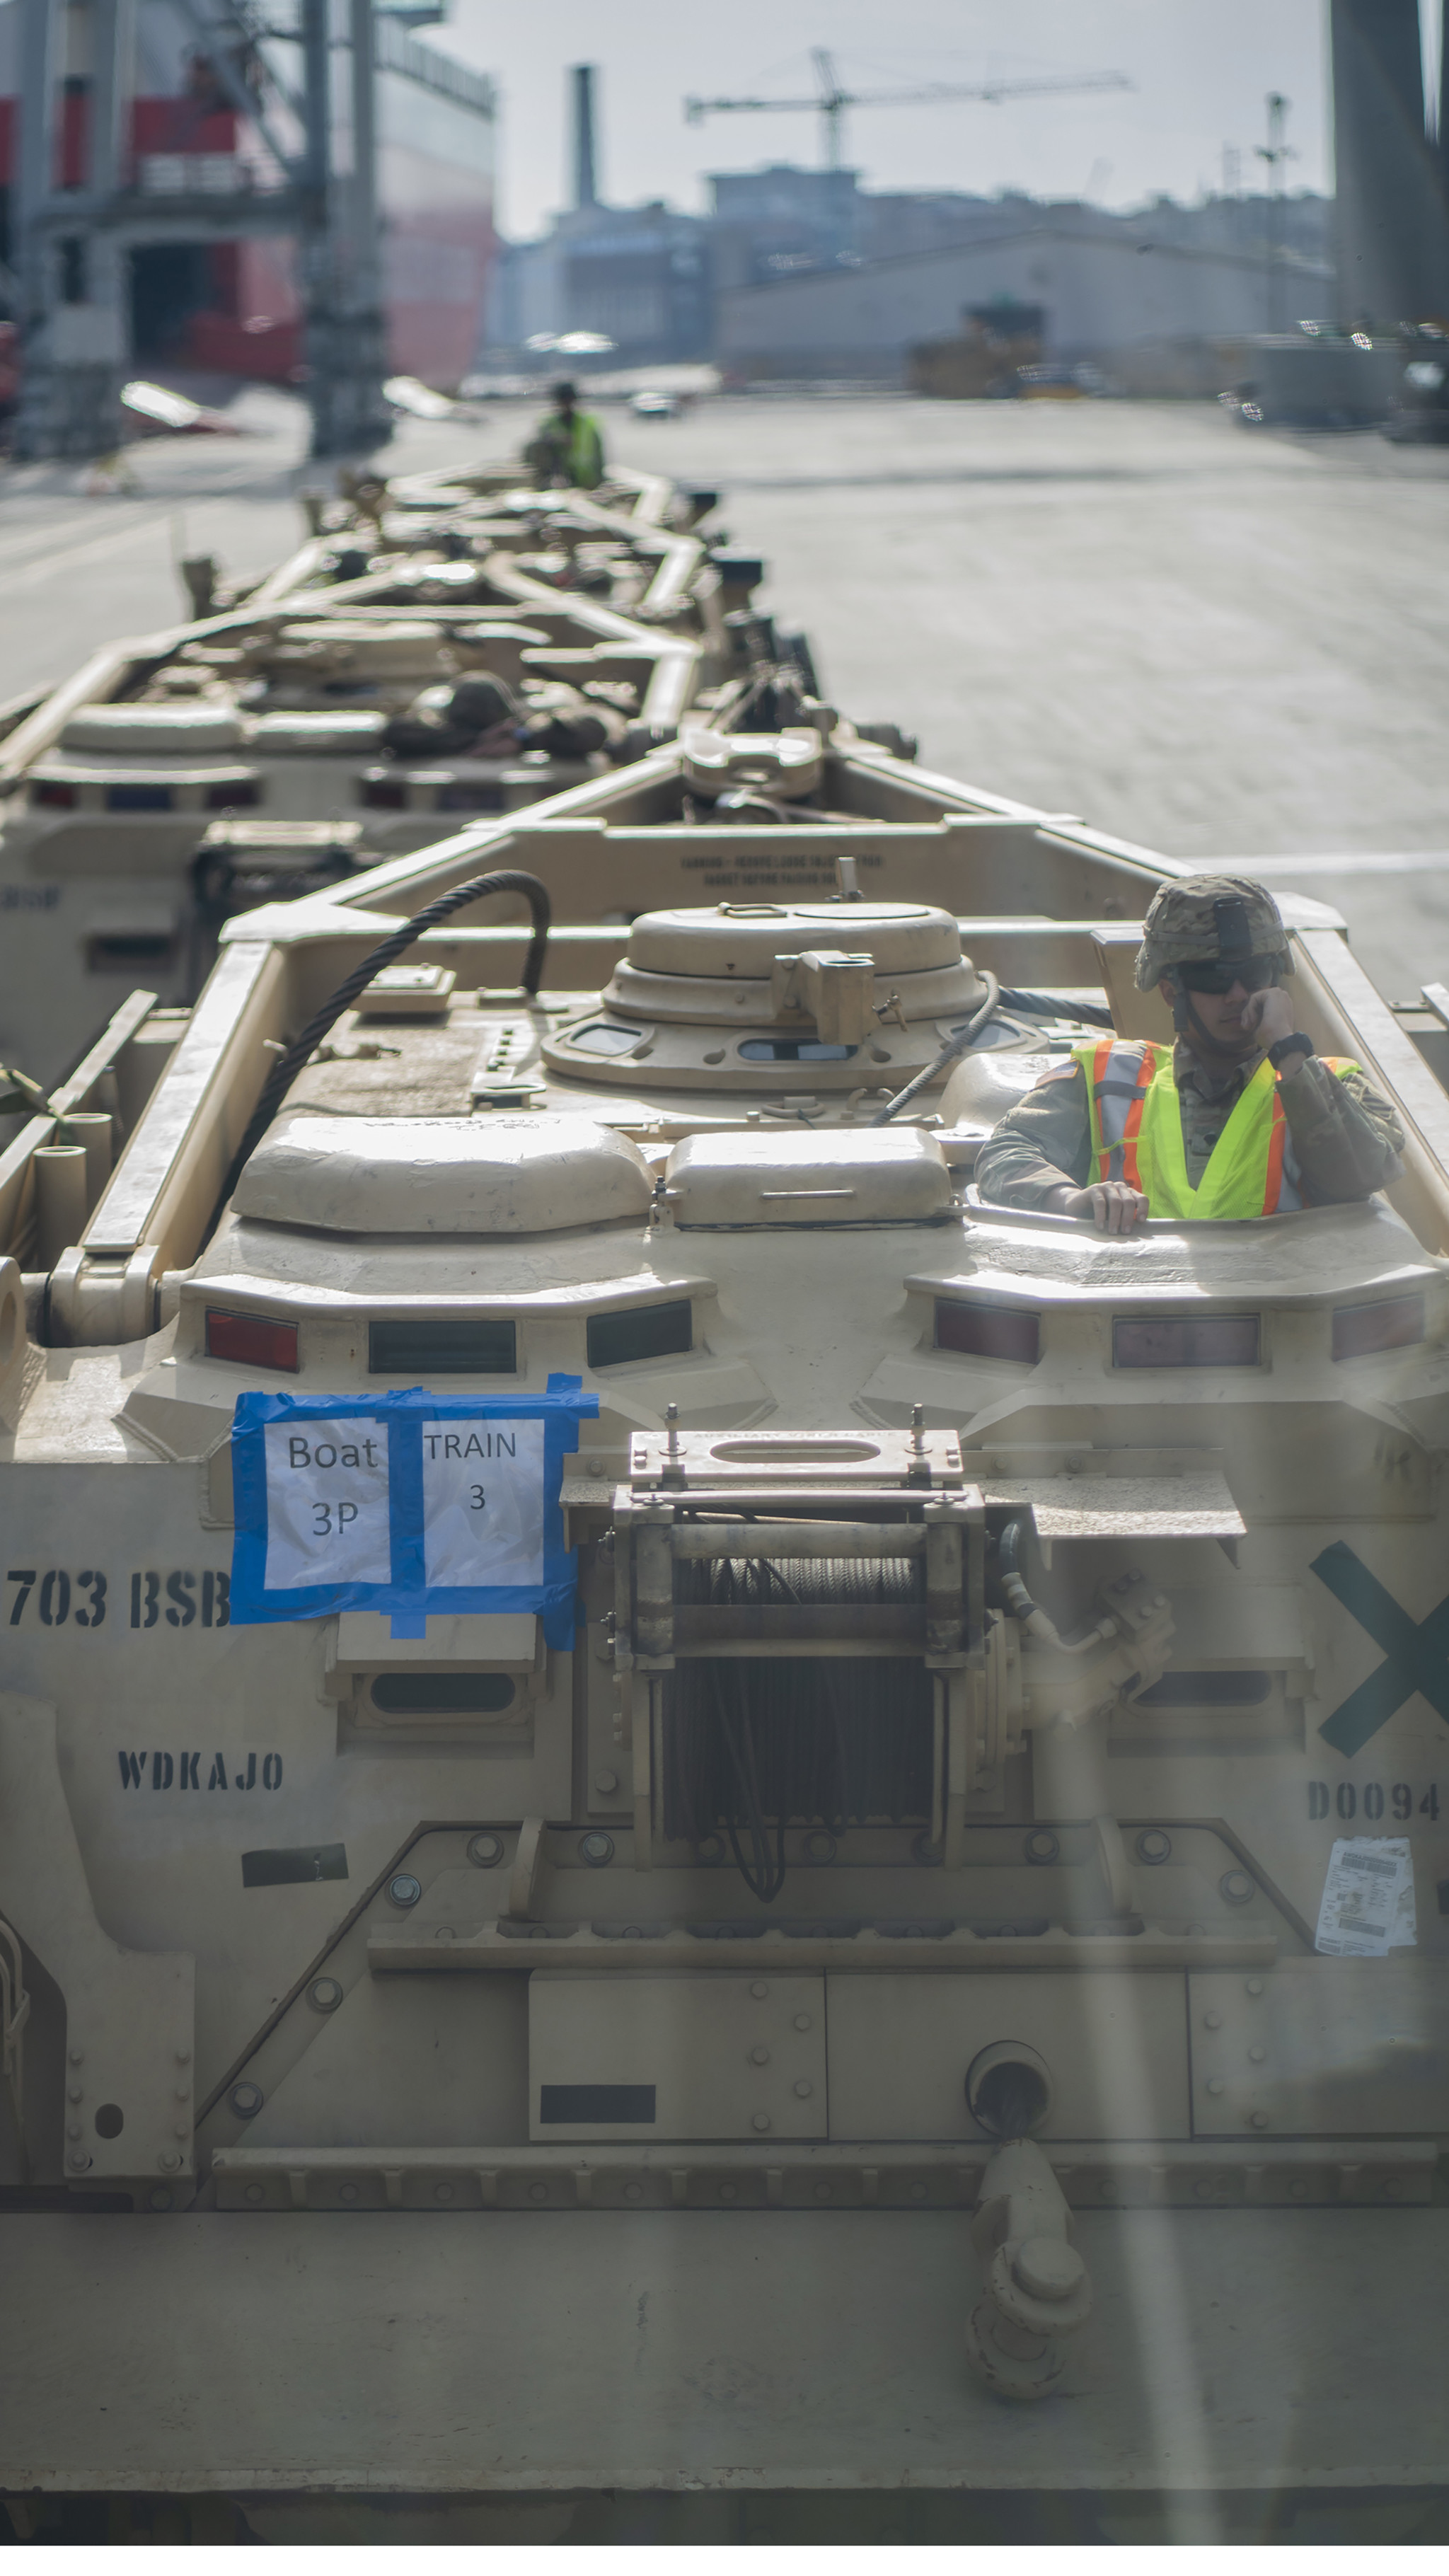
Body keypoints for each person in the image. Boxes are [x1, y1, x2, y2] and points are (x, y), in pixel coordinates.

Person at [974, 874, 1404, 1232]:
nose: (1237, 995)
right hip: (1130, 1304)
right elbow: (1005, 1155)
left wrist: (1287, 1049)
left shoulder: (1330, 1083)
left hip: (1285, 1313)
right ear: (1170, 992)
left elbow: (1362, 1177)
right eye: (1213, 979)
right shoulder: (1106, 1074)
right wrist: (1070, 1200)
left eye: (1252, 974)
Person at [524, 381, 606, 490]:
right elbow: (535, 449)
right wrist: (555, 440)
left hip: (585, 481)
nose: (566, 404)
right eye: (563, 400)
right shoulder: (548, 422)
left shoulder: (588, 423)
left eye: (569, 400)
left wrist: (599, 481)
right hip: (556, 480)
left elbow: (599, 455)